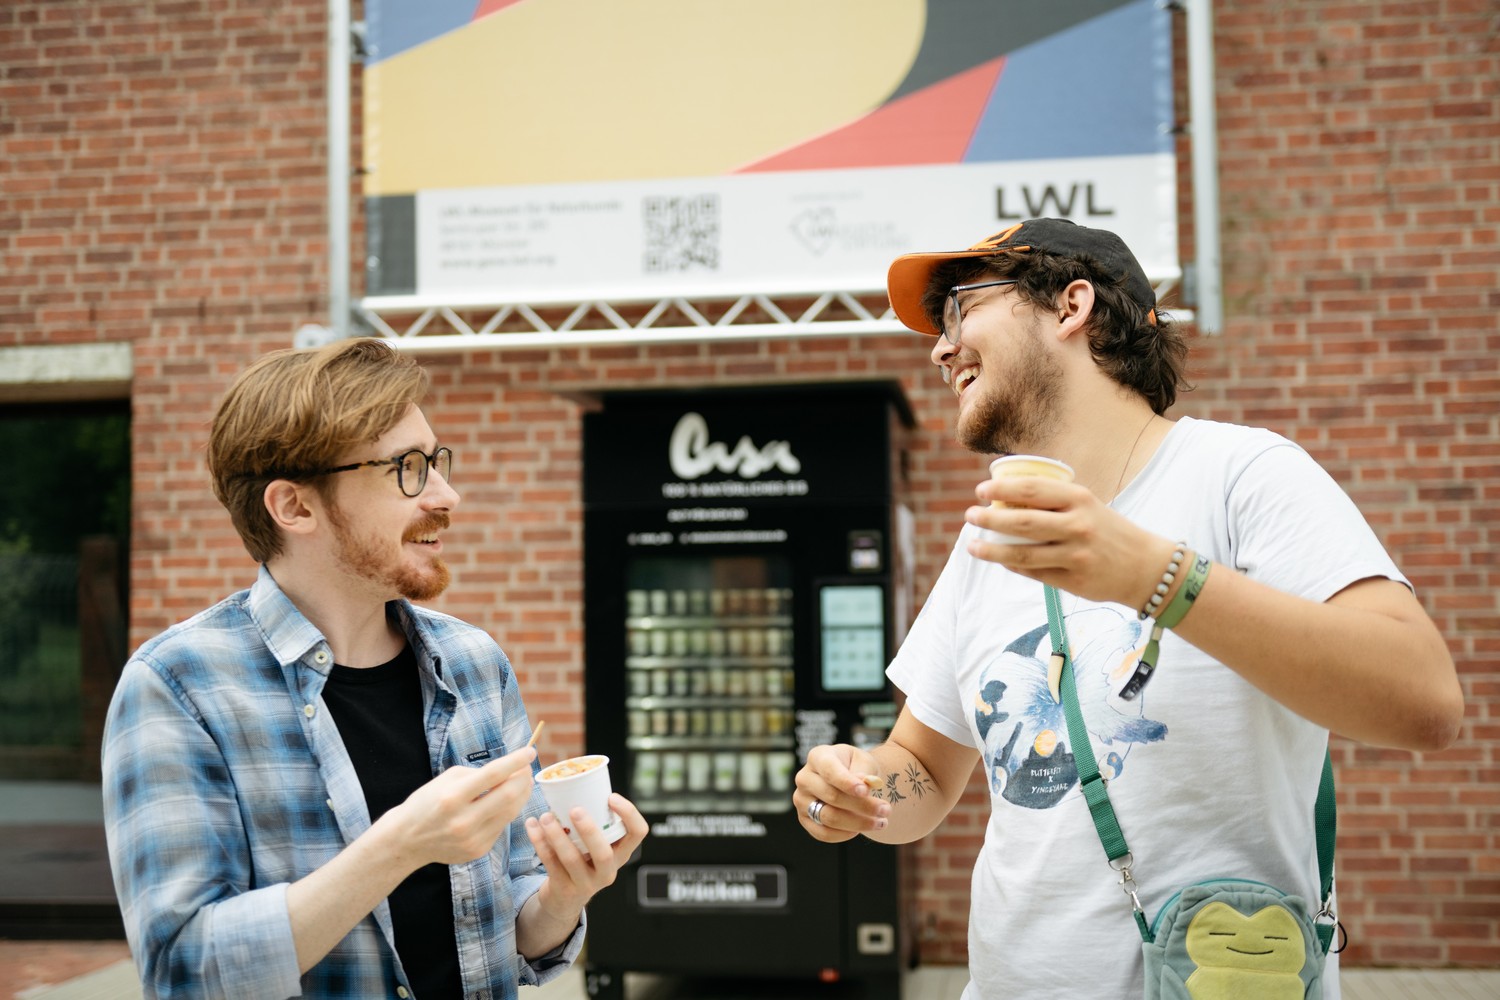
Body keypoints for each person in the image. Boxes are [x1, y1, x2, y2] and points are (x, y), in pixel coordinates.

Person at [792, 219, 1463, 997]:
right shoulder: (987, 539)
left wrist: (1155, 576)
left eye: (961, 311)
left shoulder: (1244, 474)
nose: (941, 349)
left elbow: (1426, 704)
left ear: (1071, 305)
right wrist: (855, 789)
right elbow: (924, 773)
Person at [103, 338, 648, 999]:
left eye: (436, 462)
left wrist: (565, 893)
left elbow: (515, 923)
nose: (447, 495)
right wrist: (400, 846)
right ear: (295, 506)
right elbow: (185, 971)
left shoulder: (474, 662)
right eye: (408, 468)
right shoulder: (179, 686)